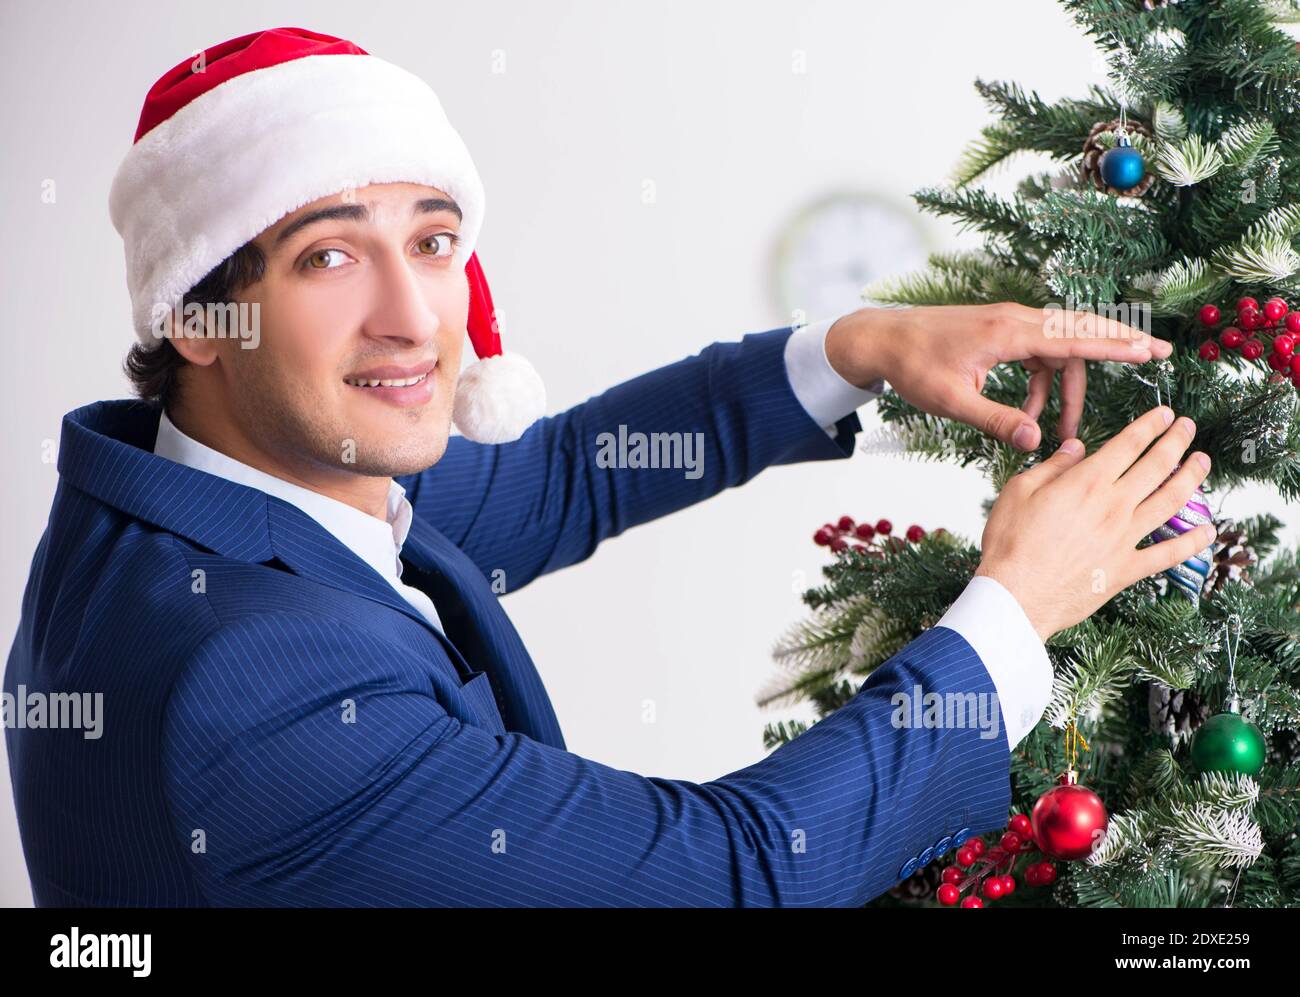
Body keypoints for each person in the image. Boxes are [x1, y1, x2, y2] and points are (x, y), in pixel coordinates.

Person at [3, 27, 1213, 907]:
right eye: (327, 259)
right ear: (200, 322)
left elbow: (564, 478)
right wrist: (1011, 616)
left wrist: (855, 348)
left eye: (432, 241)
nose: (412, 318)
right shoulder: (257, 682)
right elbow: (745, 872)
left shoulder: (206, 497)